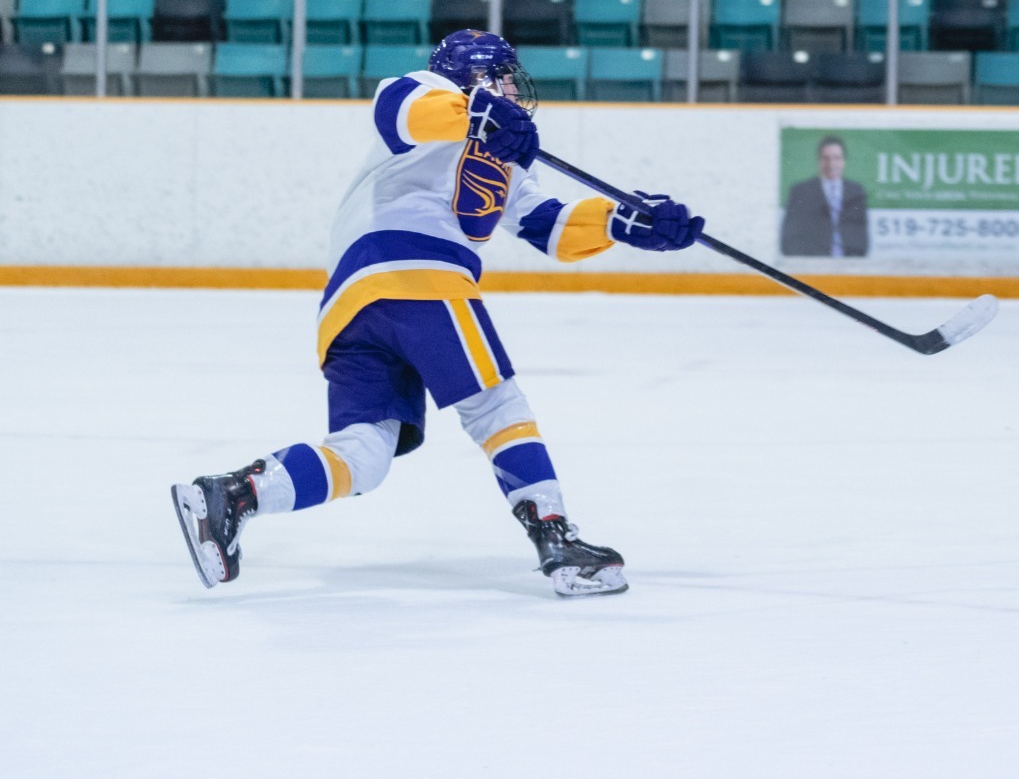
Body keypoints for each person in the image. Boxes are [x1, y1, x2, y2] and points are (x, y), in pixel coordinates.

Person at [171, 30, 705, 596]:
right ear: (471, 78)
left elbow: (548, 225)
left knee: (364, 454)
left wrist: (624, 222)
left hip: (354, 306)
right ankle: (555, 539)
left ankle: (232, 495)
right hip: (417, 274)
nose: (510, 89)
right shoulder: (423, 91)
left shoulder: (506, 156)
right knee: (496, 405)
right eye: (498, 77)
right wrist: (477, 113)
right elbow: (403, 111)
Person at [781, 135, 869, 257]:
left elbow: (861, 235)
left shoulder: (856, 190)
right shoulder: (800, 191)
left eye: (836, 158)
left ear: (844, 161)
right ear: (819, 161)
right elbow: (789, 238)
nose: (831, 164)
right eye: (826, 158)